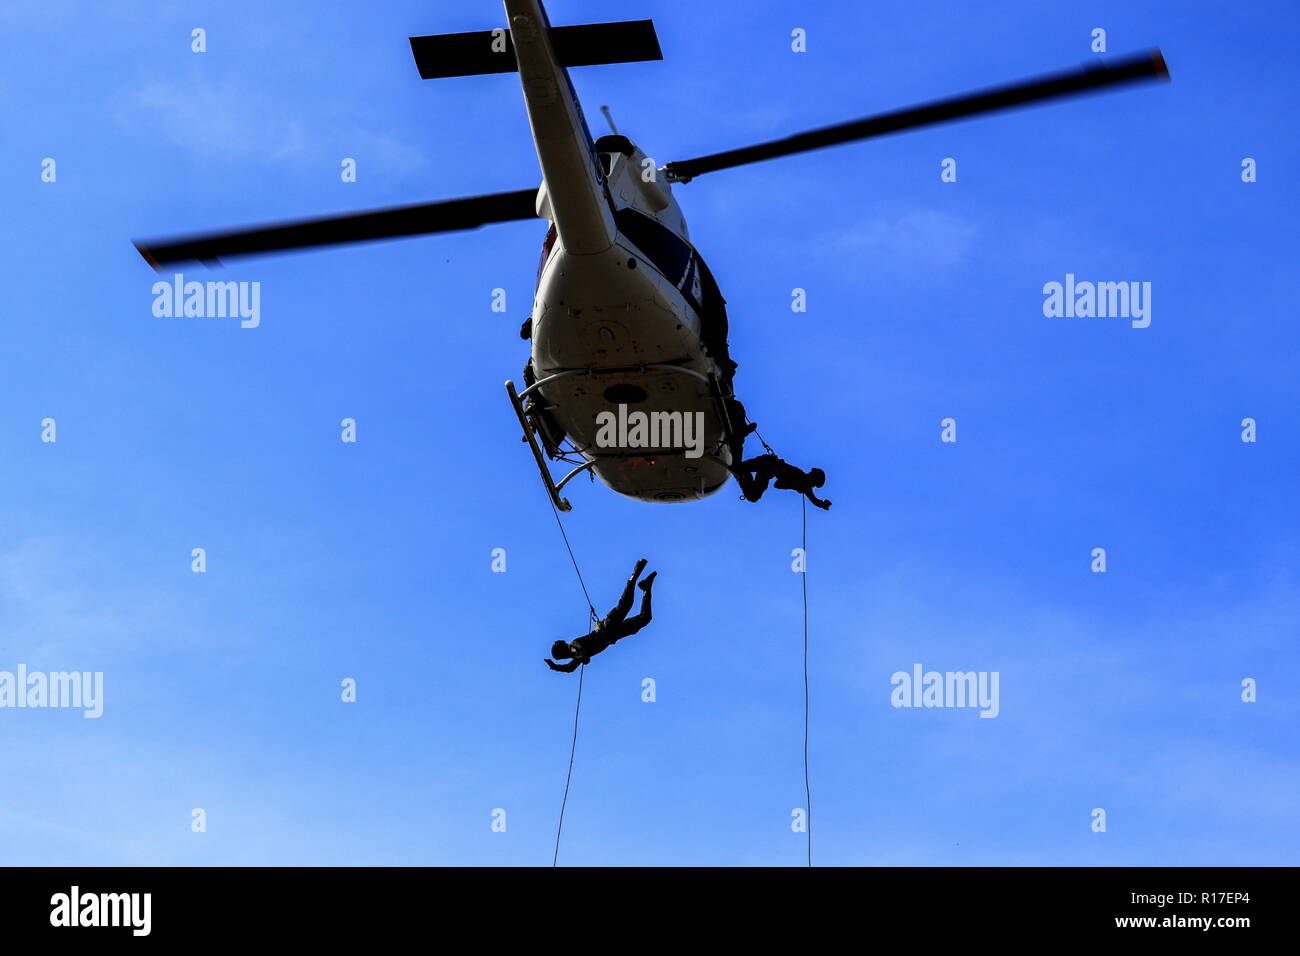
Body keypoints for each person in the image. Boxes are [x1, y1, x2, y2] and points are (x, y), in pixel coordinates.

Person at [545, 559, 657, 672]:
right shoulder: (575, 654)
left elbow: (583, 656)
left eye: (562, 657)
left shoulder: (574, 647)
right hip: (614, 634)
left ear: (563, 652)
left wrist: (581, 658)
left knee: (626, 604)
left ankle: (635, 573)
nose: (565, 658)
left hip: (608, 627)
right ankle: (646, 588)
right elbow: (570, 668)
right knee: (645, 618)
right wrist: (554, 667)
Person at [733, 453, 832, 510]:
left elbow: (813, 499)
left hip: (767, 464)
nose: (812, 486)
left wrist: (822, 504)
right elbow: (777, 485)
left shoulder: (803, 483)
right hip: (767, 464)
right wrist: (794, 486)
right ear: (812, 478)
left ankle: (741, 472)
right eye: (814, 484)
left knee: (753, 494)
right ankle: (741, 472)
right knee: (753, 494)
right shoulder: (800, 478)